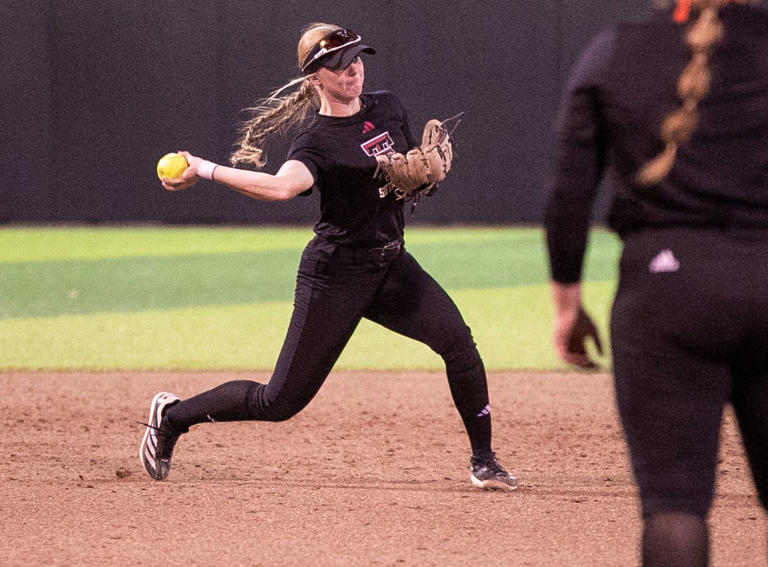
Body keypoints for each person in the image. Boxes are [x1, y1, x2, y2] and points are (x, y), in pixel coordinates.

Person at [139, 22, 517, 491]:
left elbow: (401, 174)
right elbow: (281, 187)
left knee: (459, 344)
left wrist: (423, 181)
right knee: (279, 402)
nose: (352, 70)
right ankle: (172, 417)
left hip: (389, 263)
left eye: (356, 58)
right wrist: (206, 169)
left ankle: (485, 460)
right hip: (335, 275)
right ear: (315, 77)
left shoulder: (389, 107)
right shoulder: (315, 142)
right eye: (339, 65)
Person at [544, 0, 768, 564]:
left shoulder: (616, 49)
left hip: (667, 293)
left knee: (675, 503)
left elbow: (569, 194)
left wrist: (568, 306)